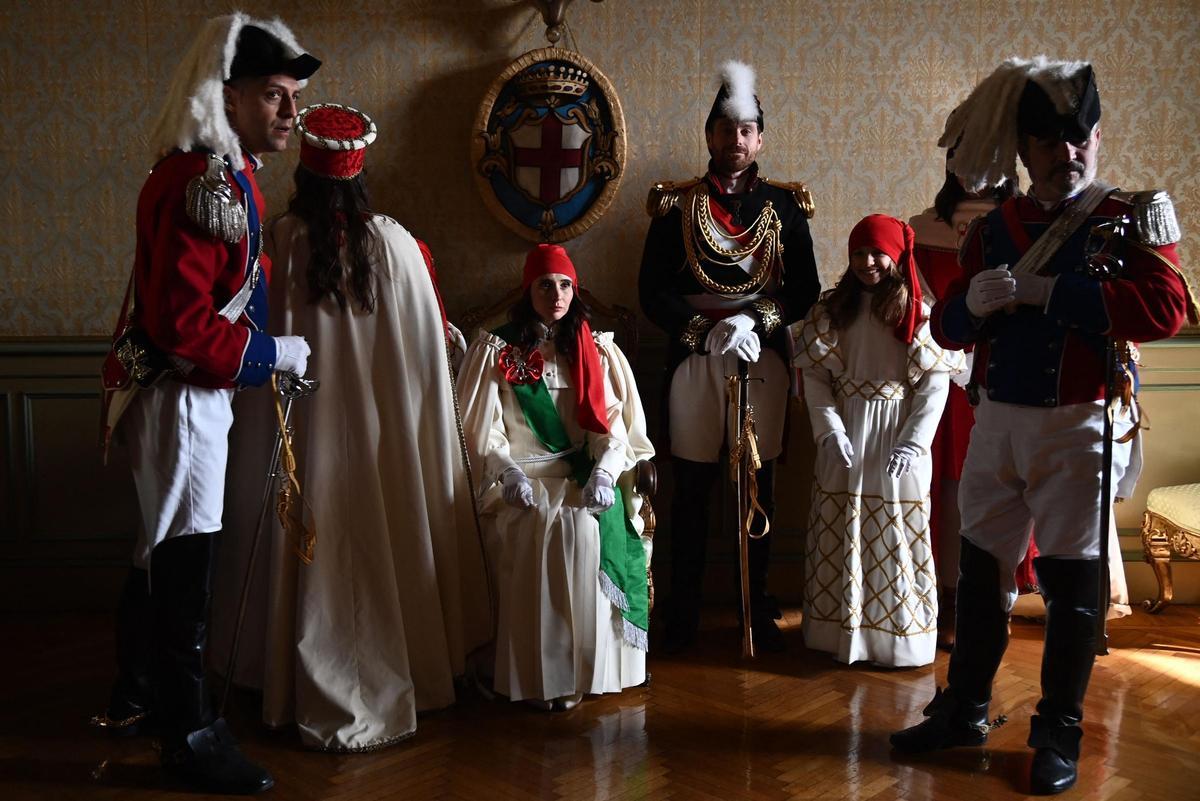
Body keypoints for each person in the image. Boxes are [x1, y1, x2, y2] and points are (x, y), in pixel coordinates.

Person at [890, 57, 1195, 795]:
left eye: (1081, 137)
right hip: (996, 419)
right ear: (1024, 151)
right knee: (981, 573)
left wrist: (1047, 291)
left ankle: (1057, 730)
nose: (1070, 153)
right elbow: (951, 325)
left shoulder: (1127, 217)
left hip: (1077, 423)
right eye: (1052, 142)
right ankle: (964, 707)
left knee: (1069, 587)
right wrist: (978, 306)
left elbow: (1166, 309)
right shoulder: (993, 229)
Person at [213, 103, 490, 752]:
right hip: (383, 443)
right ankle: (413, 663)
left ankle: (282, 670)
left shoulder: (279, 241)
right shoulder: (397, 245)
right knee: (388, 525)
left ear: (305, 174)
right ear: (361, 175)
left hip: (302, 431)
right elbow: (425, 368)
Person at [95, 13, 320, 794]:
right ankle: (187, 733)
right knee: (185, 556)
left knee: (159, 547)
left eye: (292, 96)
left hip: (186, 391)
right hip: (184, 393)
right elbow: (184, 329)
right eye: (272, 95)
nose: (289, 113)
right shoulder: (202, 181)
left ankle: (137, 695)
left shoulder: (225, 173)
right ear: (224, 96)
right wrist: (271, 355)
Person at [638, 61, 820, 654]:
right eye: (724, 128)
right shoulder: (674, 207)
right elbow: (650, 292)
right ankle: (682, 614)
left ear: (760, 138)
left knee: (755, 485)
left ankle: (755, 605)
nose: (734, 140)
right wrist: (700, 330)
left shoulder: (787, 209)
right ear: (709, 135)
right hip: (696, 361)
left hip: (762, 359)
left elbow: (805, 291)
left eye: (746, 130)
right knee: (691, 487)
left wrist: (755, 319)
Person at [457, 244, 653, 710]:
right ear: (529, 290)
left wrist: (605, 475)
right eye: (546, 284)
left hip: (580, 477)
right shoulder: (497, 349)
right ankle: (533, 678)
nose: (557, 294)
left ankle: (578, 672)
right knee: (537, 529)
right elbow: (483, 430)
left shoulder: (595, 351)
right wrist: (506, 473)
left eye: (565, 284)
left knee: (581, 528)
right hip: (515, 482)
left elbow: (610, 427)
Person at [792, 214, 963, 668]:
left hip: (896, 436)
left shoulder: (918, 312)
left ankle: (897, 638)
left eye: (876, 253)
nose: (867, 262)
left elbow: (934, 386)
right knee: (841, 525)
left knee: (894, 534)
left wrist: (913, 443)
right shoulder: (832, 311)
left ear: (896, 255)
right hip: (845, 431)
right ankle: (837, 633)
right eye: (859, 253)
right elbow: (815, 377)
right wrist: (828, 430)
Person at [909, 153, 1017, 650]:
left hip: (1013, 369)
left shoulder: (1024, 224)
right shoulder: (924, 230)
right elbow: (919, 302)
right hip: (949, 371)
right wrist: (951, 359)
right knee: (950, 489)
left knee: (1011, 488)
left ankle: (1000, 597)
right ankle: (952, 597)